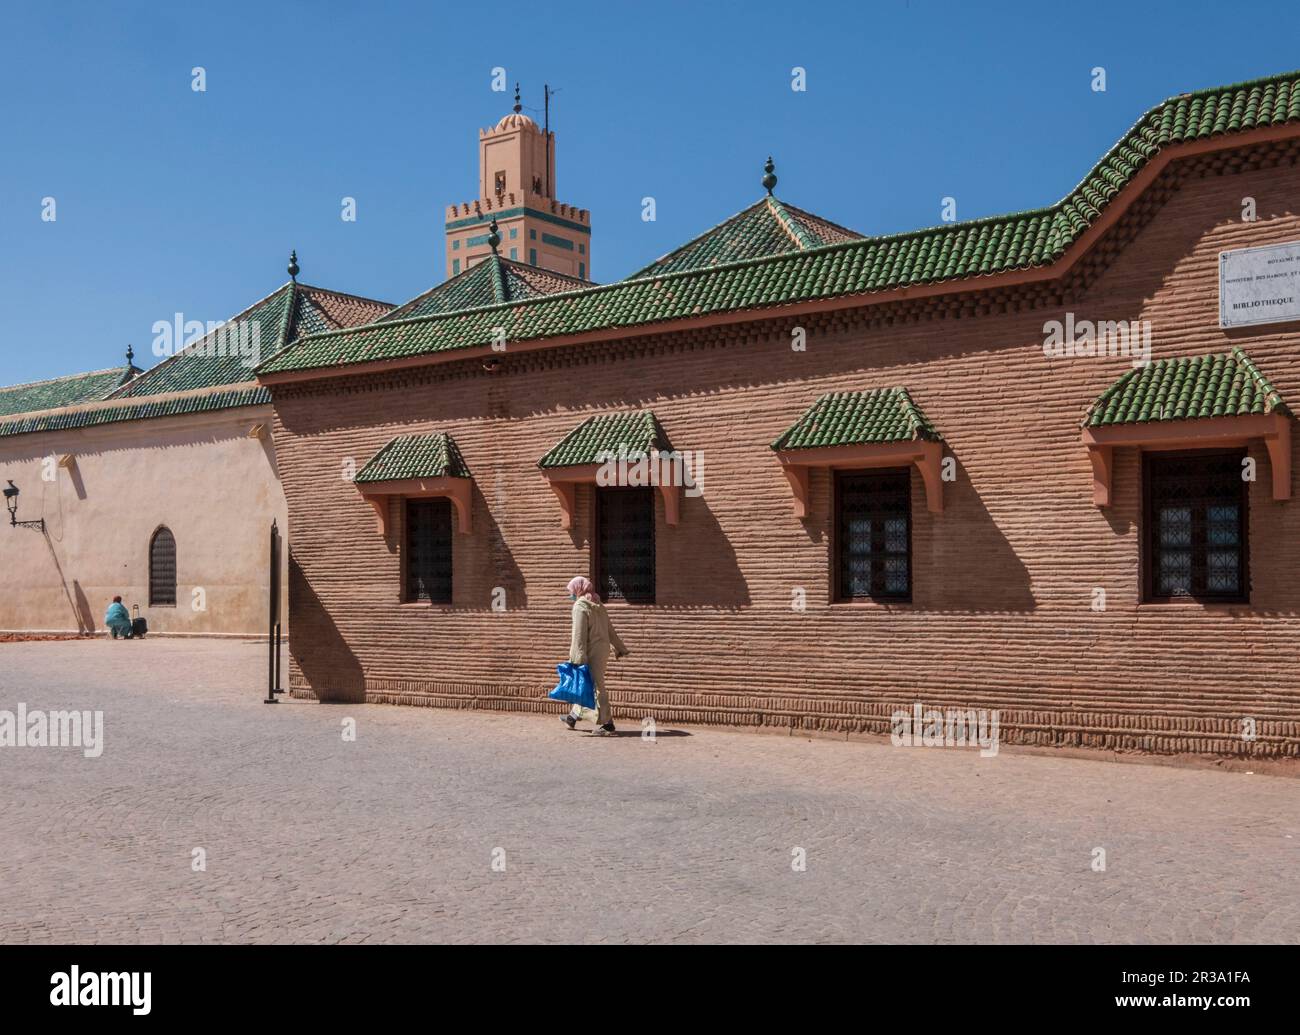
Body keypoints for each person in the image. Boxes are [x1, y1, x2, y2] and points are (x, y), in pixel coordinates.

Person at [560, 576, 629, 736]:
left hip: (590, 651)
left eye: (571, 591)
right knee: (587, 683)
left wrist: (576, 658)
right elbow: (610, 629)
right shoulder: (598, 604)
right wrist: (619, 648)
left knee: (596, 686)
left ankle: (608, 725)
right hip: (602, 651)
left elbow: (579, 636)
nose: (571, 595)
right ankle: (572, 717)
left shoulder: (580, 607)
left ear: (578, 589)